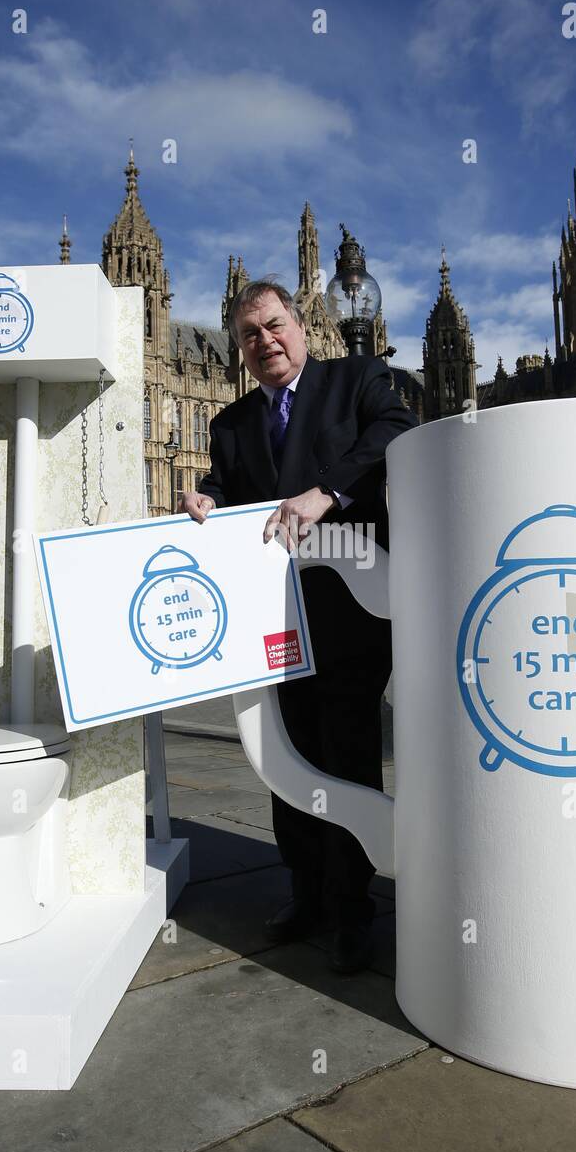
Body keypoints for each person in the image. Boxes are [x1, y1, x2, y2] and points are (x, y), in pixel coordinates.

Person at [180, 279, 417, 973]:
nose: (265, 341)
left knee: (345, 756)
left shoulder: (357, 382)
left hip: (349, 615)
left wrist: (328, 490)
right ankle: (305, 893)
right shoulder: (230, 427)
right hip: (273, 623)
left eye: (274, 326)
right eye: (250, 334)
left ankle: (353, 911)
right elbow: (229, 492)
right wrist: (205, 499)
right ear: (240, 348)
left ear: (301, 328)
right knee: (286, 761)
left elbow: (394, 432)